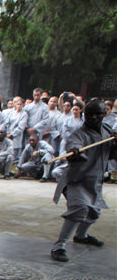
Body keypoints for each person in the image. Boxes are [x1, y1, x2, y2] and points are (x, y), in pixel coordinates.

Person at [50, 99, 116, 262]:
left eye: (97, 114)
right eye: (89, 114)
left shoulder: (107, 131)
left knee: (94, 210)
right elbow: (73, 146)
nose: (93, 117)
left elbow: (112, 154)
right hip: (77, 179)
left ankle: (81, 235)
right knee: (79, 209)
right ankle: (59, 246)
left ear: (104, 114)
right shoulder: (78, 134)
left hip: (95, 179)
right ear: (84, 115)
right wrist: (75, 153)